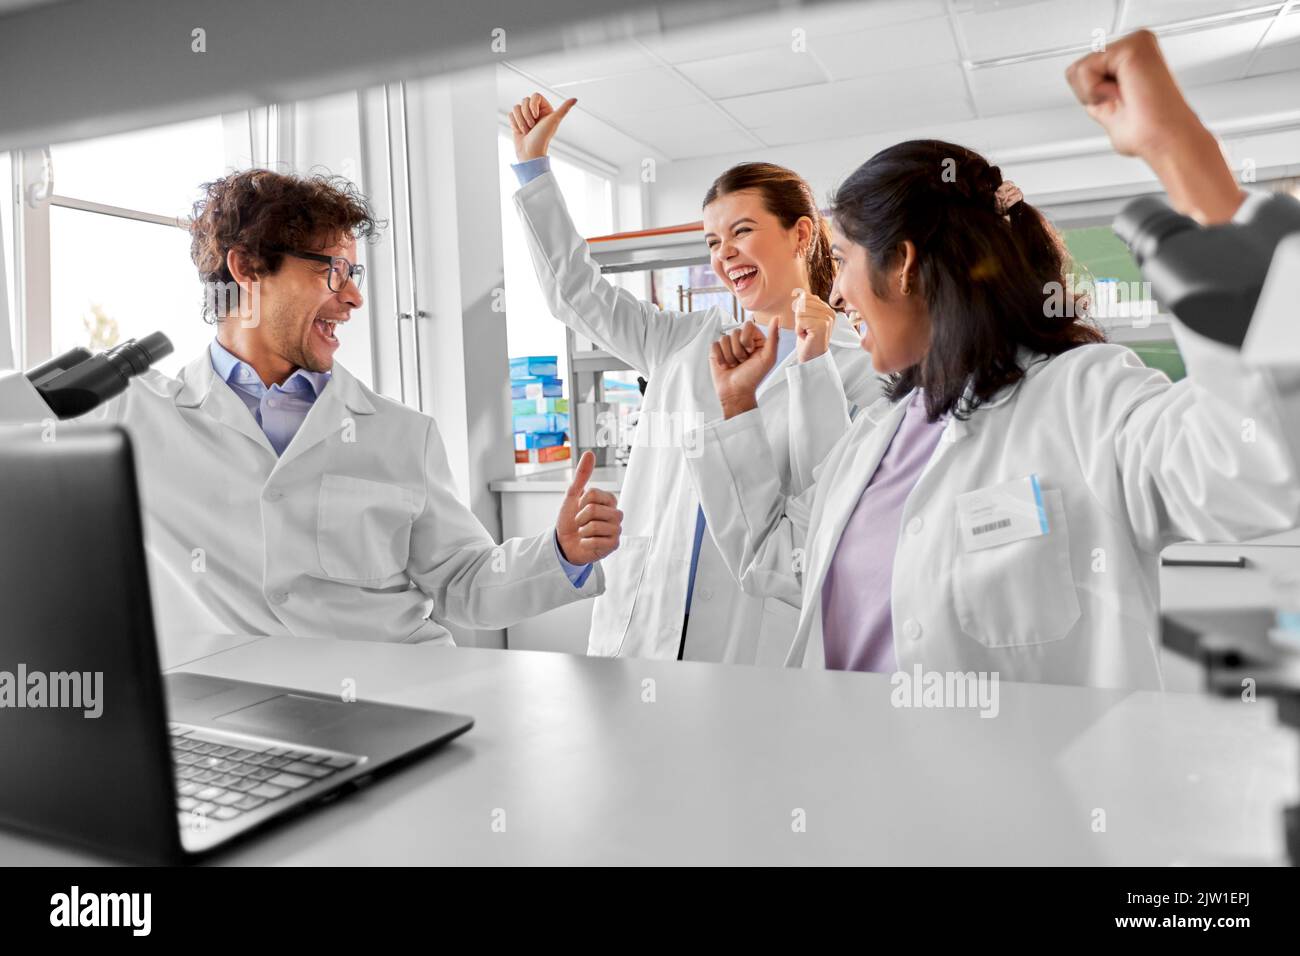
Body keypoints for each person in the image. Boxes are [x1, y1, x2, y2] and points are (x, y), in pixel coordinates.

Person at [685, 30, 1300, 688]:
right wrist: (735, 407)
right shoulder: (875, 438)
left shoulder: (1082, 397)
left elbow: (1256, 472)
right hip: (856, 781)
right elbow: (780, 562)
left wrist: (1183, 155)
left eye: (843, 258)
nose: (834, 289)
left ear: (905, 264)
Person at [81, 168, 621, 645]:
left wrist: (560, 552)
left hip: (399, 699)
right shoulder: (131, 419)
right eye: (332, 271)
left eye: (353, 275)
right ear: (246, 267)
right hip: (236, 721)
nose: (354, 297)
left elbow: (462, 583)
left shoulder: (401, 433)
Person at [508, 93, 879, 663]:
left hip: (752, 630)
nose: (724, 254)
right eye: (712, 242)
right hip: (645, 616)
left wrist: (814, 364)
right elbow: (575, 293)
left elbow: (826, 518)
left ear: (801, 234)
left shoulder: (857, 366)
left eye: (742, 231)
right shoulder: (681, 343)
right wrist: (534, 169)